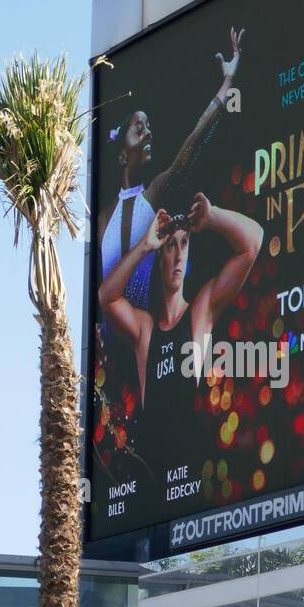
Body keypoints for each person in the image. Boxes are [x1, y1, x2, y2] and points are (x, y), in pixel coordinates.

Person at [98, 193, 263, 482]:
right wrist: (145, 246)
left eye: (184, 244)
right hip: (150, 479)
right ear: (160, 257)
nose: (178, 255)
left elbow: (252, 243)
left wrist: (212, 217)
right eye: (170, 246)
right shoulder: (145, 330)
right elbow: (106, 296)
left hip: (193, 477)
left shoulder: (199, 312)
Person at [98, 27, 245, 309]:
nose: (148, 133)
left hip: (140, 338)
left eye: (150, 128)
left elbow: (195, 137)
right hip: (107, 340)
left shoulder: (153, 193)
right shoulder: (104, 218)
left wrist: (228, 81)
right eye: (139, 128)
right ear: (121, 155)